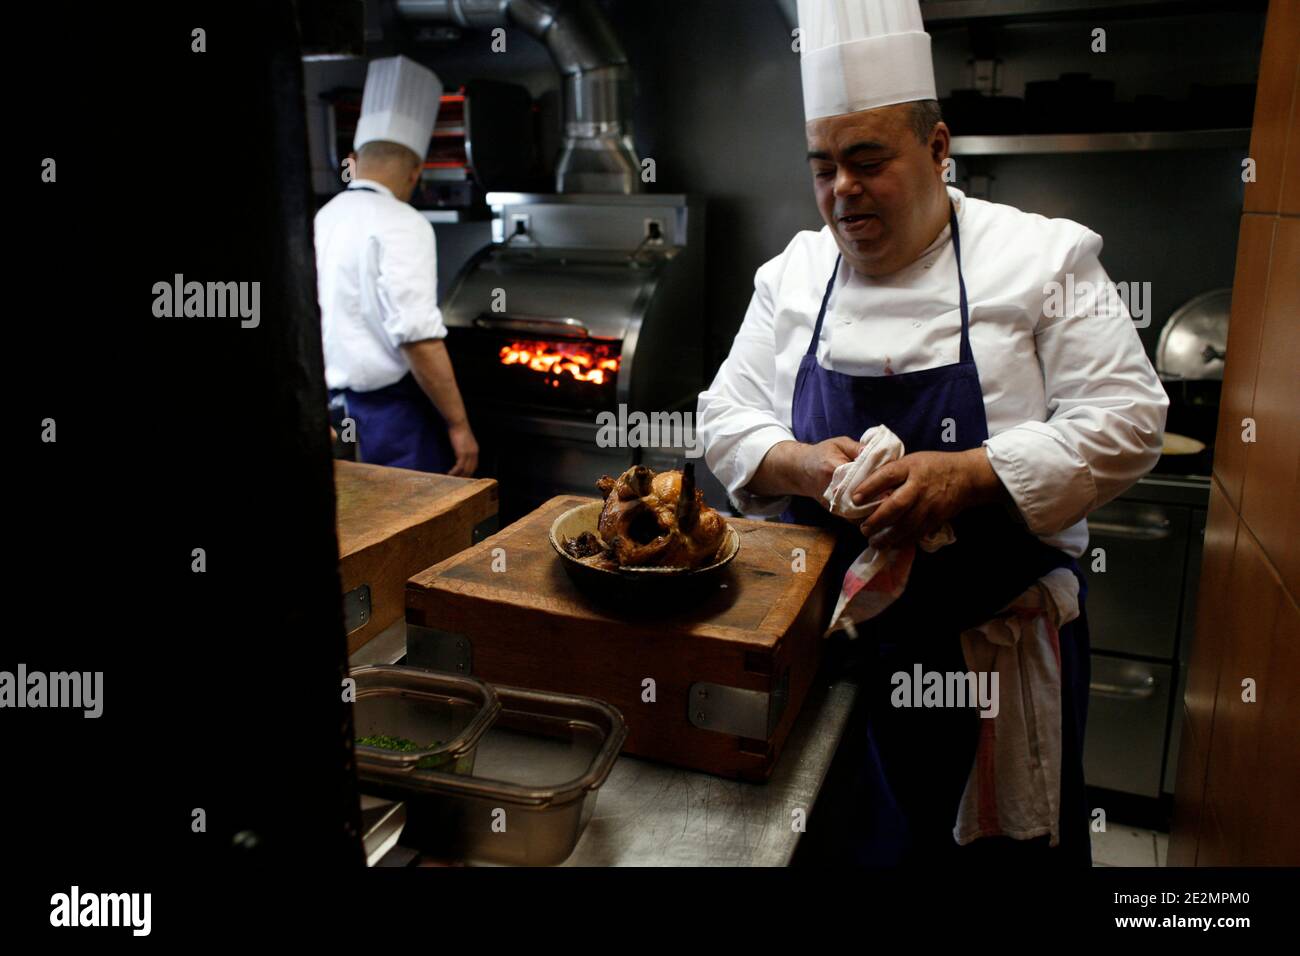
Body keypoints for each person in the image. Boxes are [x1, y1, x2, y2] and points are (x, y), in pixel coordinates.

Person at [696, 0, 1168, 865]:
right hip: (823, 656)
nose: (843, 189)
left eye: (868, 161)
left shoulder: (1042, 259)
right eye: (824, 167)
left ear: (940, 148)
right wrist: (801, 465)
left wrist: (976, 473)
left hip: (984, 657)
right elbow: (722, 414)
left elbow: (1128, 417)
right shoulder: (793, 274)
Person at [315, 55, 478, 475]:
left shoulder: (324, 216)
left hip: (334, 409)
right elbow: (417, 337)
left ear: (353, 157)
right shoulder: (406, 223)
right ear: (416, 172)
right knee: (422, 532)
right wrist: (459, 424)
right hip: (391, 419)